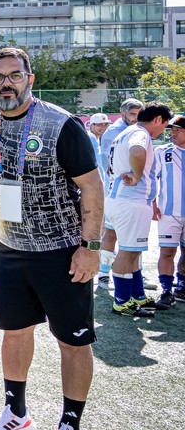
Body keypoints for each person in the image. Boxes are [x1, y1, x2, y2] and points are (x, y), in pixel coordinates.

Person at [0, 47, 103, 430]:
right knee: (14, 334)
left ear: (30, 77)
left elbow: (92, 188)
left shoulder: (61, 124)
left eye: (15, 74)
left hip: (62, 253)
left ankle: (70, 428)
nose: (6, 82)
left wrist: (90, 247)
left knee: (73, 341)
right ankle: (16, 413)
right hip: (10, 248)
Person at [107, 101, 172, 315]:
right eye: (165, 124)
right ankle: (122, 301)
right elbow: (136, 151)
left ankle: (138, 297)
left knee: (133, 252)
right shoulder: (140, 134)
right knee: (127, 252)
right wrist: (136, 176)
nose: (165, 129)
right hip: (130, 201)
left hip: (124, 201)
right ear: (157, 120)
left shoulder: (128, 131)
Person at [97, 98, 144, 289]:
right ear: (122, 113)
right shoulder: (113, 133)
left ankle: (134, 273)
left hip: (132, 194)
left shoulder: (137, 130)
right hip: (116, 193)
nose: (136, 118)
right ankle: (103, 274)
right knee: (111, 234)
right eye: (132, 114)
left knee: (135, 236)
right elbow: (111, 165)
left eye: (139, 114)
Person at [155, 115, 185, 309]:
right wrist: (152, 203)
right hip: (168, 212)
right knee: (167, 251)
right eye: (172, 129)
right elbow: (150, 178)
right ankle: (166, 290)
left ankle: (181, 286)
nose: (173, 132)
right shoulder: (162, 151)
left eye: (178, 130)